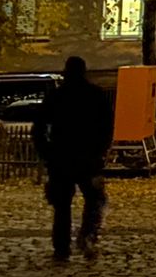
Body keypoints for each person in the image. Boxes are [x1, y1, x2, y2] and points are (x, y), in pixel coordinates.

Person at [34, 57, 114, 262]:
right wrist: (100, 150)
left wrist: (47, 153)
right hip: (88, 157)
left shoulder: (57, 96)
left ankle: (62, 248)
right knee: (94, 200)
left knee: (62, 207)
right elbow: (107, 127)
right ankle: (87, 236)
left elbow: (39, 128)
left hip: (61, 158)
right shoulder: (96, 96)